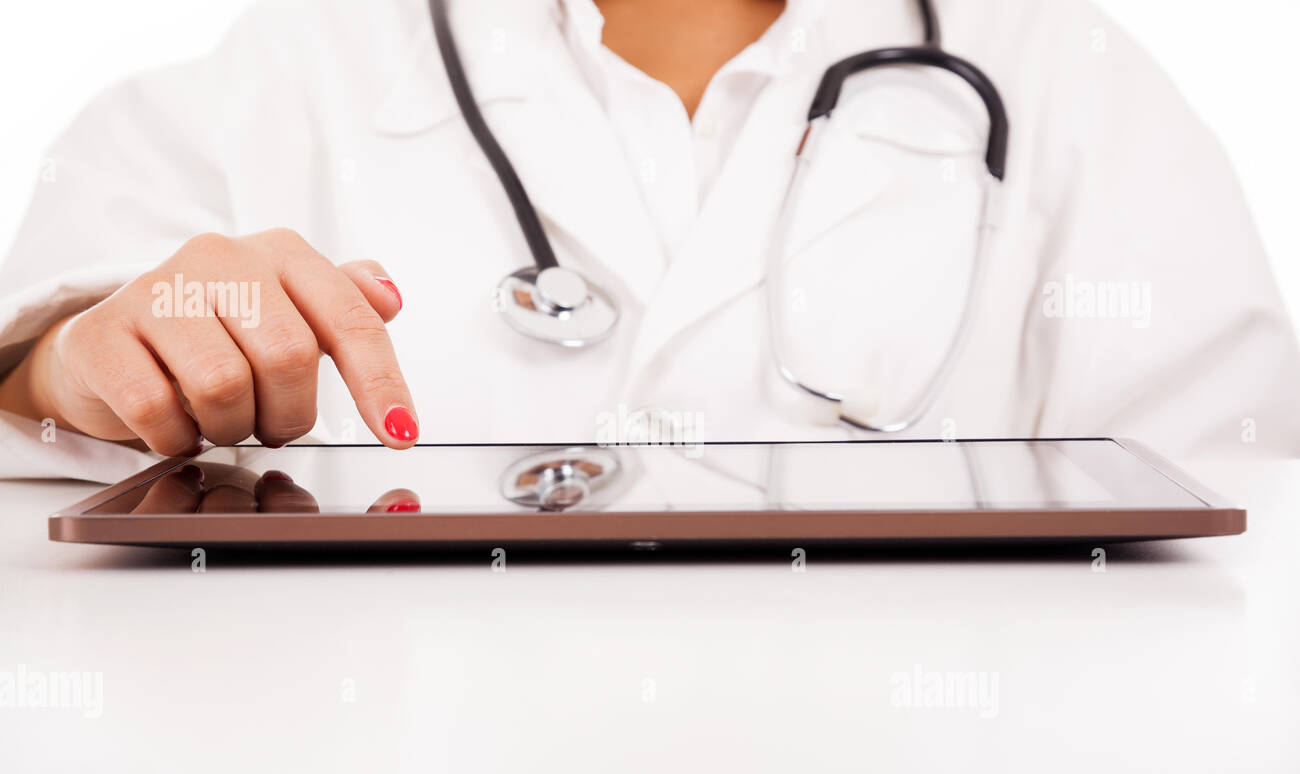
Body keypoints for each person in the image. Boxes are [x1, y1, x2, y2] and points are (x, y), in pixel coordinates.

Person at [0, 0, 1296, 483]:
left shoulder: (1068, 79)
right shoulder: (292, 68)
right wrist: (65, 366)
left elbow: (1237, 531)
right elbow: (39, 378)